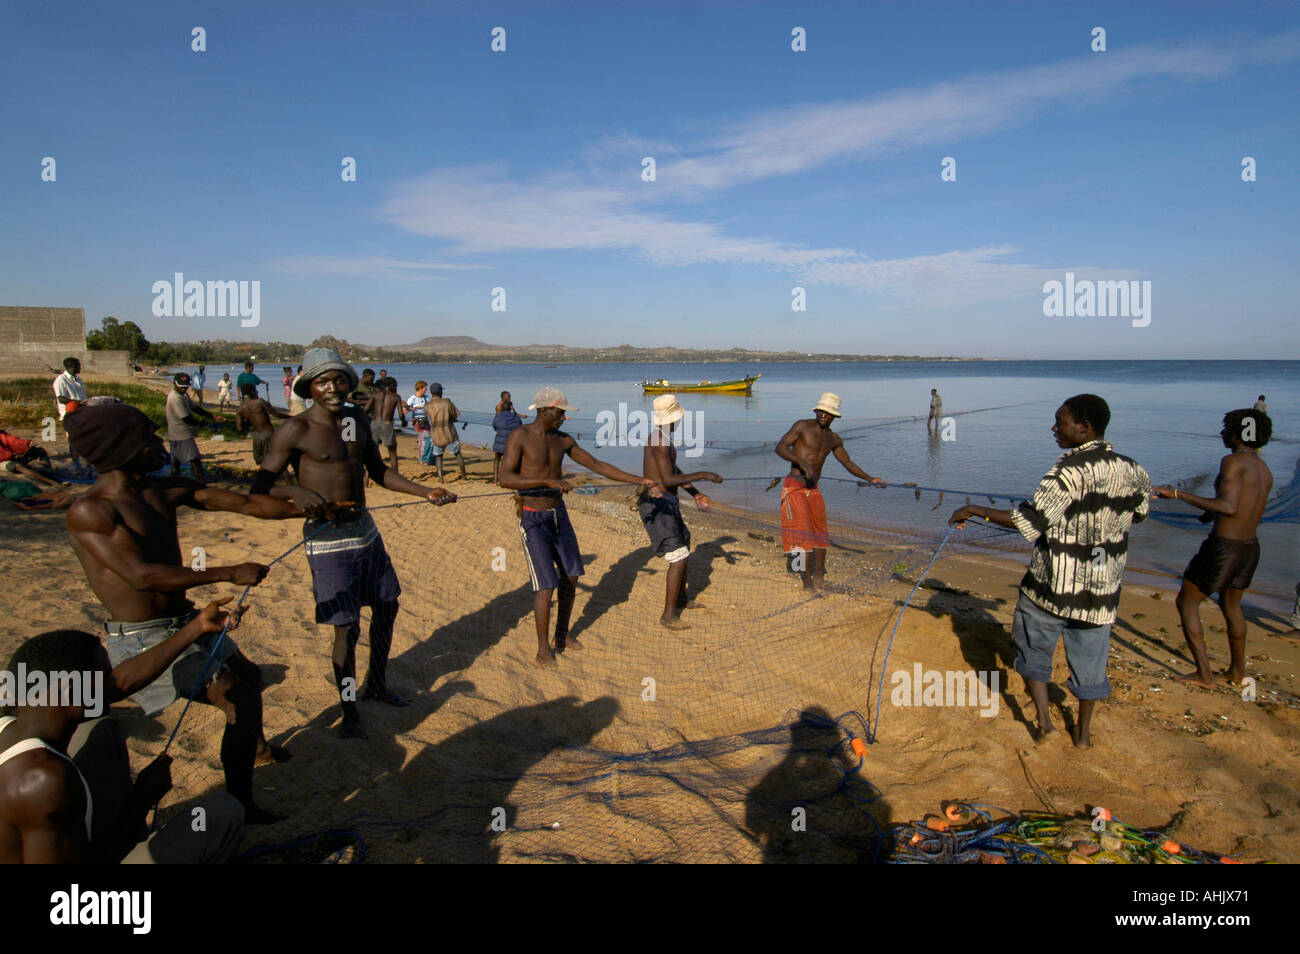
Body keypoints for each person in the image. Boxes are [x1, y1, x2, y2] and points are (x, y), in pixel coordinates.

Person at [63, 403, 306, 822]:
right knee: (240, 698)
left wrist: (311, 509)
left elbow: (246, 504)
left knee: (250, 678)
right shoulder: (91, 511)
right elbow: (143, 576)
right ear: (122, 450)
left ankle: (258, 749)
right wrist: (230, 571)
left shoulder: (162, 490)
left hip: (185, 619)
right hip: (143, 636)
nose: (160, 444)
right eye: (148, 440)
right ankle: (241, 805)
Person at [251, 348, 457, 739]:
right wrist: (295, 491)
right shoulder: (296, 430)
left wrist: (424, 491)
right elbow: (261, 487)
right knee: (345, 629)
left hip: (365, 533)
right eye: (323, 382)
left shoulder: (354, 419)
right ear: (309, 387)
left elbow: (377, 471)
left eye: (339, 380)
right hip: (327, 541)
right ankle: (349, 710)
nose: (333, 388)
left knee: (387, 606)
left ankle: (376, 684)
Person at [949, 394, 1150, 749]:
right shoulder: (1134, 469)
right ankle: (1083, 735)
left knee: (1034, 650)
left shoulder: (1065, 472)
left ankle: (1043, 723)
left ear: (1084, 428)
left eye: (1061, 422)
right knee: (1090, 662)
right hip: (1101, 592)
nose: (1054, 428)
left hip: (1050, 586)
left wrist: (973, 509)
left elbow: (1029, 521)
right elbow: (1138, 514)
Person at [0, 612, 249, 863]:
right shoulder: (46, 781)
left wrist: (195, 628)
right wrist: (142, 799)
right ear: (74, 693)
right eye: (107, 678)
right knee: (220, 815)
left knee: (100, 730)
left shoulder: (13, 714)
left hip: (48, 832)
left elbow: (124, 682)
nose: (117, 683)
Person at [498, 387, 657, 668]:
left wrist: (638, 479)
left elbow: (596, 463)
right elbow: (506, 478)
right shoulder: (519, 436)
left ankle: (562, 636)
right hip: (533, 517)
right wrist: (546, 483)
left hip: (559, 515)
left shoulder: (563, 441)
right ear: (545, 411)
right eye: (560, 413)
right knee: (545, 584)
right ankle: (542, 649)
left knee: (571, 575)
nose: (563, 419)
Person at [1152, 408, 1274, 688]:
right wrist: (1208, 512)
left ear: (1237, 433)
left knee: (1187, 602)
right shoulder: (1263, 469)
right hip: (1249, 547)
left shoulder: (1232, 462)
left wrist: (1178, 494)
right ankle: (1237, 672)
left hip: (1223, 548)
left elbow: (1228, 506)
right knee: (1232, 608)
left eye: (1226, 429)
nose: (1222, 433)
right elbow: (1242, 506)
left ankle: (1205, 674)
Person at [773, 393, 886, 591]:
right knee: (802, 536)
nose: (824, 415)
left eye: (829, 413)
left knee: (820, 535)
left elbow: (848, 463)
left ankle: (819, 579)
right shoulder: (802, 426)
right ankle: (806, 583)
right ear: (816, 411)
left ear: (835, 417)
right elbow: (780, 447)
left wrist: (870, 479)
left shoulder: (833, 439)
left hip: (813, 489)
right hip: (794, 487)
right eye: (822, 411)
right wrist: (802, 463)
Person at [639, 395, 723, 630]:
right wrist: (704, 474)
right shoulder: (659, 440)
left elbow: (673, 470)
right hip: (656, 504)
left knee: (685, 541)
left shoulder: (663, 437)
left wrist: (695, 492)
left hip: (668, 500)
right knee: (679, 555)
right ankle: (668, 615)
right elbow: (667, 478)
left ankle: (681, 599)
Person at [165, 372, 214, 484]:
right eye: (182, 387)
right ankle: (202, 484)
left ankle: (174, 481)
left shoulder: (184, 395)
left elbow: (195, 408)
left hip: (178, 433)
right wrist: (201, 424)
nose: (184, 389)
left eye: (186, 386)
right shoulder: (175, 398)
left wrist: (212, 416)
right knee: (194, 459)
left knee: (176, 460)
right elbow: (186, 418)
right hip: (181, 433)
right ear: (175, 384)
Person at [236, 383, 291, 467]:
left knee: (261, 461)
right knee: (274, 461)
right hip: (268, 434)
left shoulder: (240, 409)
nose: (257, 392)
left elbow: (239, 428)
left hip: (257, 437)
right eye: (255, 390)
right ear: (252, 391)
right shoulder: (259, 402)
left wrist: (249, 420)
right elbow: (276, 414)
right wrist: (291, 417)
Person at [0, 419, 62, 489]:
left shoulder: (2, 434)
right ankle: (51, 482)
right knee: (19, 467)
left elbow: (13, 442)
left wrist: (27, 443)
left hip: (11, 457)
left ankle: (47, 470)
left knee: (39, 450)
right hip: (2, 461)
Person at [424, 383, 466, 481]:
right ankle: (464, 476)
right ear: (440, 392)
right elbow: (455, 415)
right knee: (458, 454)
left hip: (436, 434)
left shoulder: (427, 405)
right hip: (449, 433)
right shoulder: (447, 402)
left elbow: (430, 417)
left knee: (439, 456)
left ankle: (440, 477)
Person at [365, 378, 407, 474]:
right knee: (392, 453)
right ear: (392, 385)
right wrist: (403, 421)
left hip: (375, 423)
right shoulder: (395, 397)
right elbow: (401, 414)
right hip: (387, 425)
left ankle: (366, 479)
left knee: (372, 452)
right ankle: (396, 476)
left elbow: (366, 409)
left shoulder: (375, 395)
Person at [492, 391, 524, 484]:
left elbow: (495, 424)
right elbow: (519, 427)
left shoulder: (503, 412)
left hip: (499, 440)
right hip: (510, 441)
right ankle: (507, 478)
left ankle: (495, 480)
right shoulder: (499, 407)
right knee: (510, 459)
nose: (510, 398)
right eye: (508, 396)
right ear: (504, 397)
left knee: (497, 459)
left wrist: (500, 431)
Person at [53, 356, 88, 421]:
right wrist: (80, 403)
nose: (80, 367)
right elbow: (61, 399)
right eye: (78, 365)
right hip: (70, 416)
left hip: (81, 414)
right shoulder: (61, 380)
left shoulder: (78, 379)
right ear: (73, 366)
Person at [407, 380, 432, 463]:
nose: (426, 389)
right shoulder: (412, 399)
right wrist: (413, 408)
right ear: (420, 388)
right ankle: (422, 459)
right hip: (418, 420)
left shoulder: (426, 397)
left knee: (429, 438)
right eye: (425, 388)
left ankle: (426, 457)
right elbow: (405, 410)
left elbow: (430, 406)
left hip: (425, 420)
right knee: (424, 439)